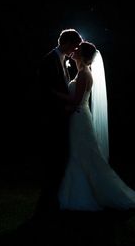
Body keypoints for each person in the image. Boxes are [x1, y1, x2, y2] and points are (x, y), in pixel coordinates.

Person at [56, 41, 135, 211]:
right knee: (80, 155)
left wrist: (54, 94)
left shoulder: (84, 74)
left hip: (79, 119)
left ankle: (84, 194)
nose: (75, 50)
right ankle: (79, 192)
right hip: (79, 118)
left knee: (82, 155)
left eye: (78, 49)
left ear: (84, 55)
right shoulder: (82, 73)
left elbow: (76, 101)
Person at [36, 28, 83, 213]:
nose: (74, 50)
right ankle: (49, 197)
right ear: (65, 43)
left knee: (61, 156)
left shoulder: (63, 60)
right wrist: (66, 104)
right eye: (74, 46)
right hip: (52, 117)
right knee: (54, 157)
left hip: (62, 116)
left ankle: (55, 194)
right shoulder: (49, 60)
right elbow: (44, 90)